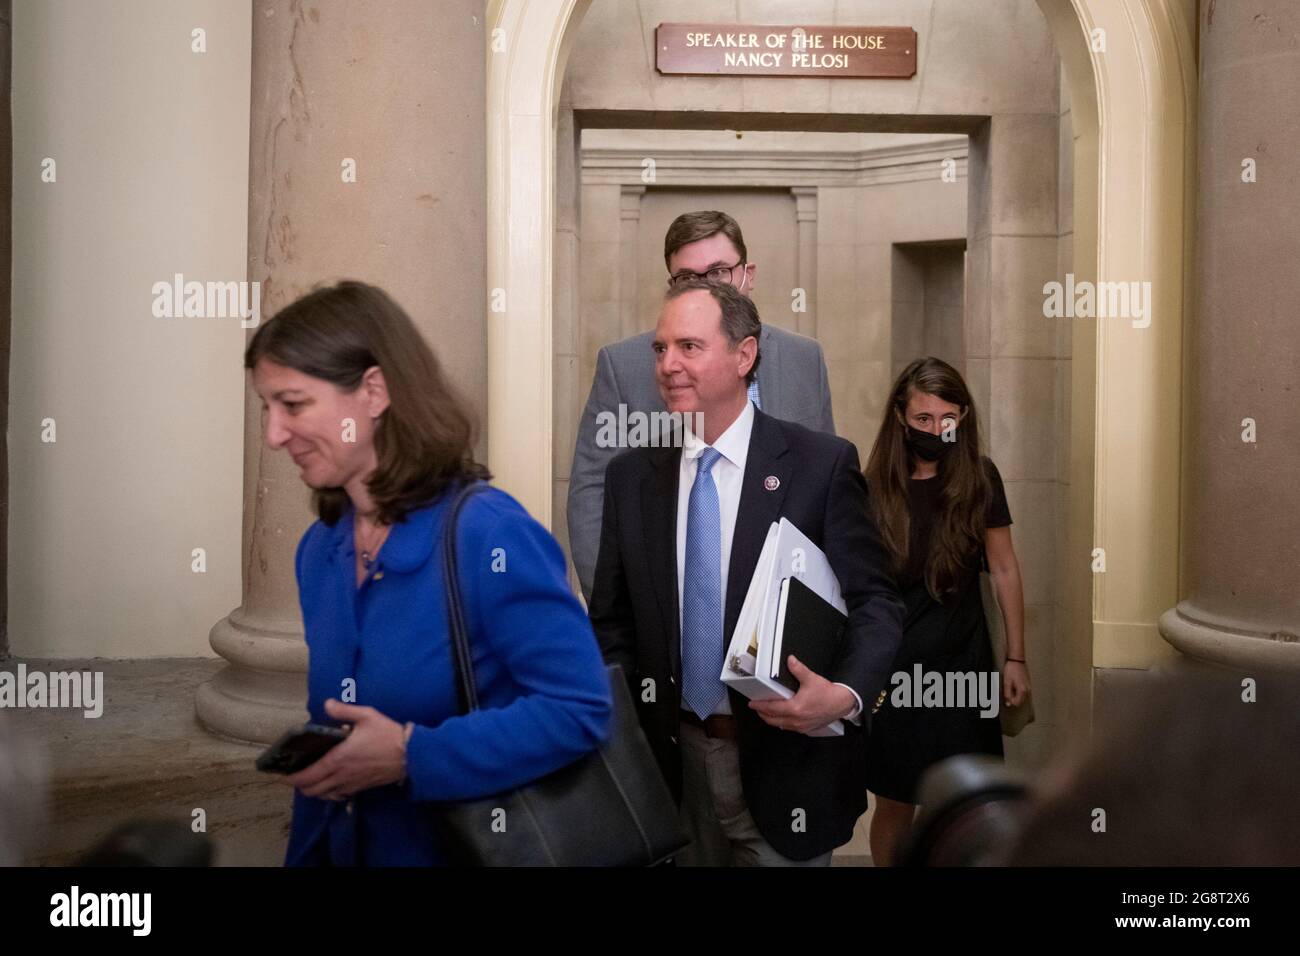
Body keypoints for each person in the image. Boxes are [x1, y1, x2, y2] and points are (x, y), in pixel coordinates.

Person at [246, 280, 612, 866]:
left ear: (373, 392)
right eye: (267, 408)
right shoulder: (320, 550)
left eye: (292, 404)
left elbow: (580, 709)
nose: (273, 434)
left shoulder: (488, 534)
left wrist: (413, 755)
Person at [588, 279, 904, 866]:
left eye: (689, 346)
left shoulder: (820, 465)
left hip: (788, 770)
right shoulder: (631, 478)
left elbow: (876, 603)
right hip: (670, 775)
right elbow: (612, 624)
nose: (668, 365)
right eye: (660, 349)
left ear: (744, 354)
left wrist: (843, 695)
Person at [568, 210, 836, 603]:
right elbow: (591, 493)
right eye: (688, 279)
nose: (707, 290)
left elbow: (827, 487)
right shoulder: (623, 365)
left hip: (780, 608)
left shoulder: (803, 359)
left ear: (748, 275)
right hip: (669, 605)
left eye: (718, 273)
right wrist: (621, 609)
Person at [862, 357, 1030, 866]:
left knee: (971, 804)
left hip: (965, 668)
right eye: (924, 420)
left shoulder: (980, 478)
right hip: (894, 675)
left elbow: (1004, 570)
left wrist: (1017, 658)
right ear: (900, 418)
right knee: (895, 802)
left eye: (948, 420)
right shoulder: (874, 488)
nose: (937, 431)